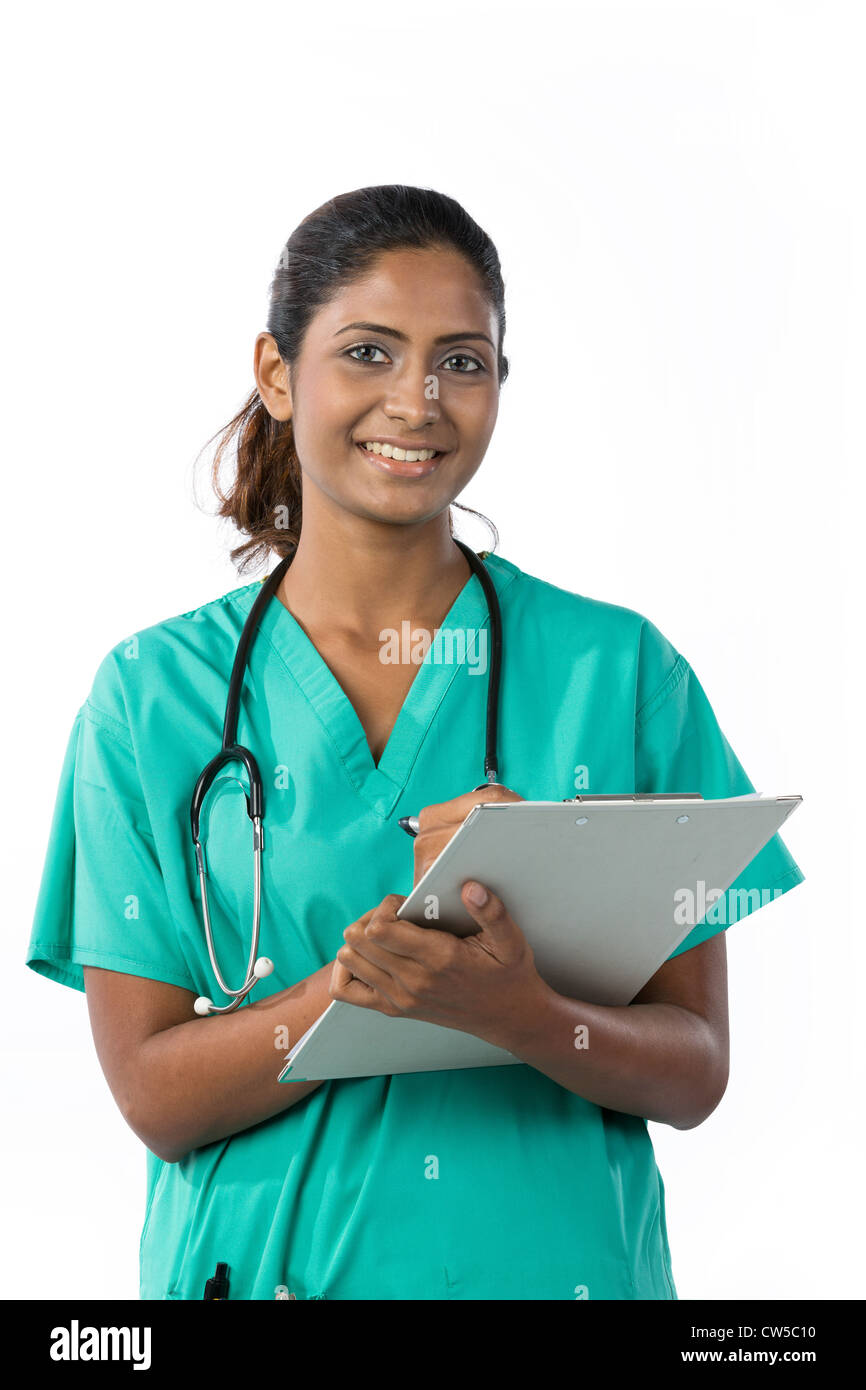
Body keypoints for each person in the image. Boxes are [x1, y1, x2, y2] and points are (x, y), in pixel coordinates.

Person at [26, 184, 803, 1301]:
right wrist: (344, 993)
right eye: (369, 352)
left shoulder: (617, 673)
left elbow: (693, 1073)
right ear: (276, 373)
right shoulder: (154, 699)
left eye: (462, 361)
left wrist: (524, 1015)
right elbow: (155, 1096)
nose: (419, 400)